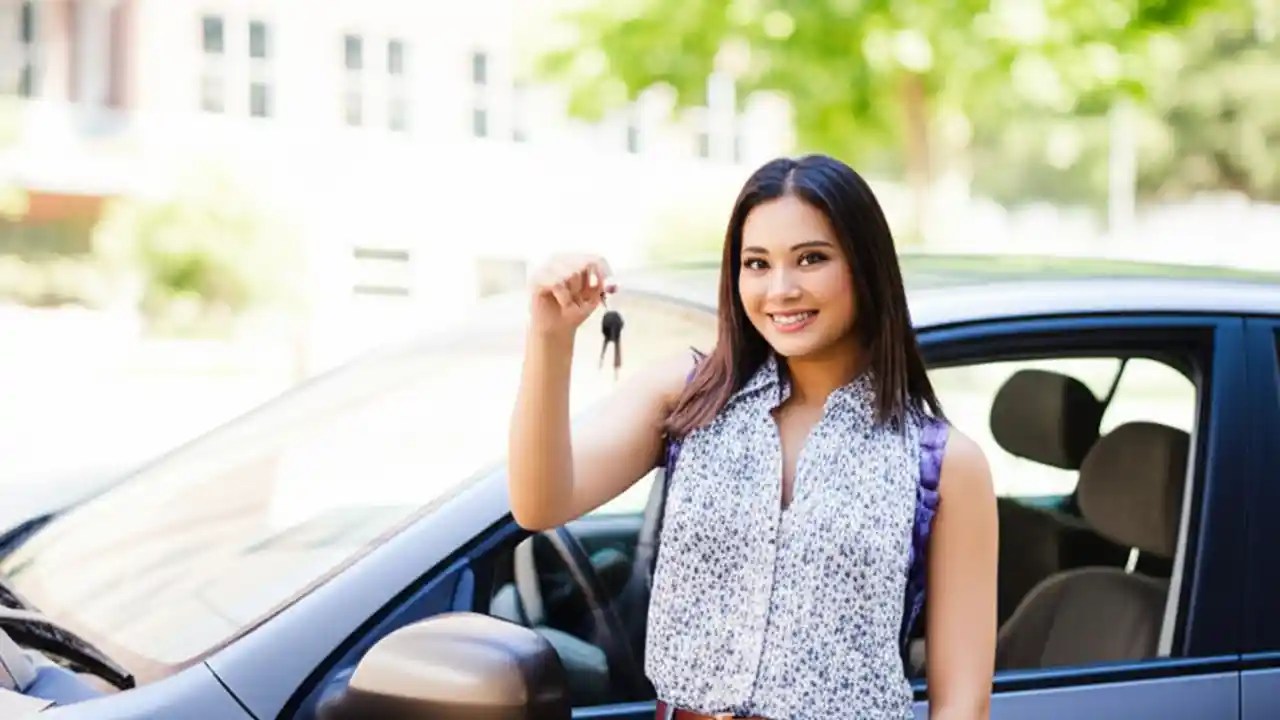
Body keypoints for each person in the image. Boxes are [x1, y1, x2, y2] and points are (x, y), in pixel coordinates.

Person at [508, 154, 997, 720]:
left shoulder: (943, 461)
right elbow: (539, 502)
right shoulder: (689, 395)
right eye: (756, 263)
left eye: (811, 259)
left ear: (865, 266)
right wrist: (550, 336)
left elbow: (962, 703)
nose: (780, 289)